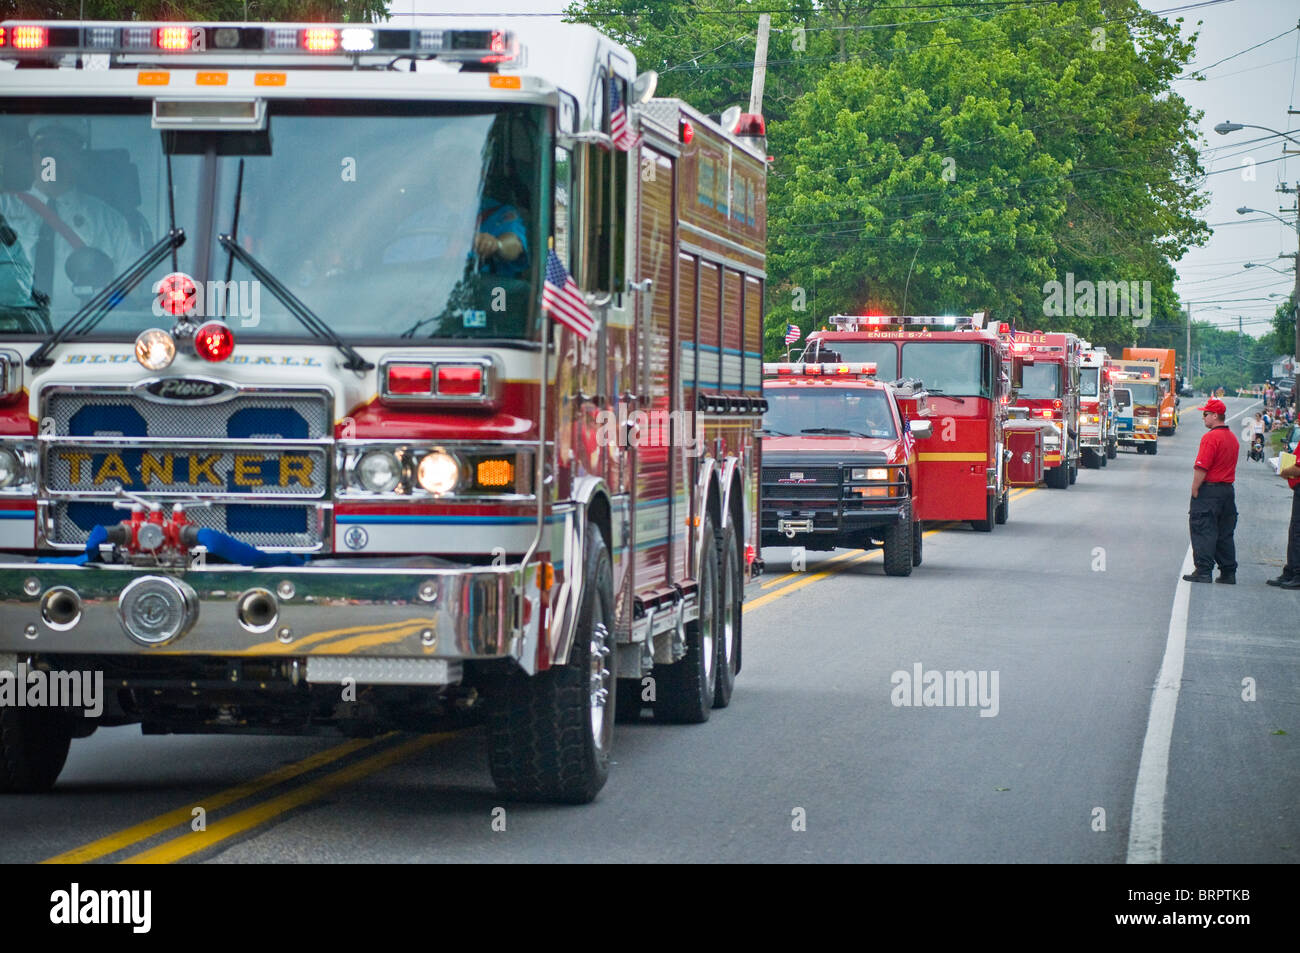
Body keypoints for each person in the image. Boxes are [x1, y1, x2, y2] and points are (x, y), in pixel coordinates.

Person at [0, 117, 140, 314]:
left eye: (62, 152)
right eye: (46, 152)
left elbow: (134, 289)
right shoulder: (3, 210)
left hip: (87, 335)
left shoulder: (109, 221)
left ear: (77, 159)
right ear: (33, 156)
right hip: (11, 333)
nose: (52, 161)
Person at [1183, 398, 1239, 584]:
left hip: (1210, 491)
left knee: (1203, 529)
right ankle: (1228, 572)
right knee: (1224, 533)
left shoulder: (1210, 438)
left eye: (1205, 414)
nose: (1203, 418)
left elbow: (1202, 467)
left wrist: (1195, 488)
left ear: (1215, 416)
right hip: (1227, 491)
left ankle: (1204, 570)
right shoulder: (1232, 438)